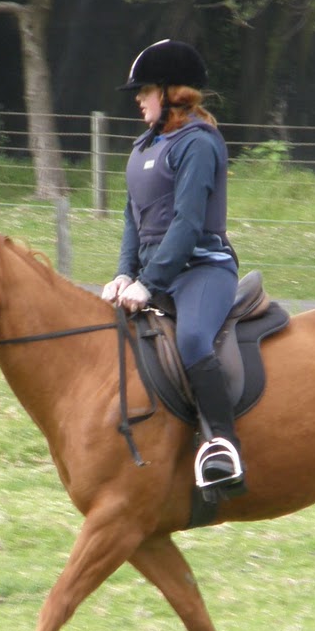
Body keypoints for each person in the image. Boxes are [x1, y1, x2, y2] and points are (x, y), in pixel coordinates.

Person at [101, 39, 244, 496]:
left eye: (144, 91)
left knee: (194, 338)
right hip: (153, 274)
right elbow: (132, 219)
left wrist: (149, 283)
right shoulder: (145, 146)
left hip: (203, 270)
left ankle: (222, 444)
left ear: (169, 93)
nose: (138, 99)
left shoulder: (198, 143)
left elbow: (186, 223)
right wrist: (125, 273)